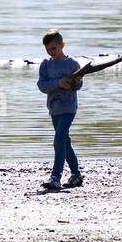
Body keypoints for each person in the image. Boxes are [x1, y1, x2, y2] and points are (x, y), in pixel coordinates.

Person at [35, 30, 85, 191]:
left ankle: (55, 177)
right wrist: (58, 83)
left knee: (59, 140)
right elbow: (42, 85)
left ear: (62, 45)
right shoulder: (46, 64)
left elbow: (78, 86)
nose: (51, 52)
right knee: (64, 141)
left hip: (69, 107)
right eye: (48, 49)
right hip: (54, 108)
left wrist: (74, 82)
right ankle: (76, 174)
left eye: (54, 48)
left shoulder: (72, 64)